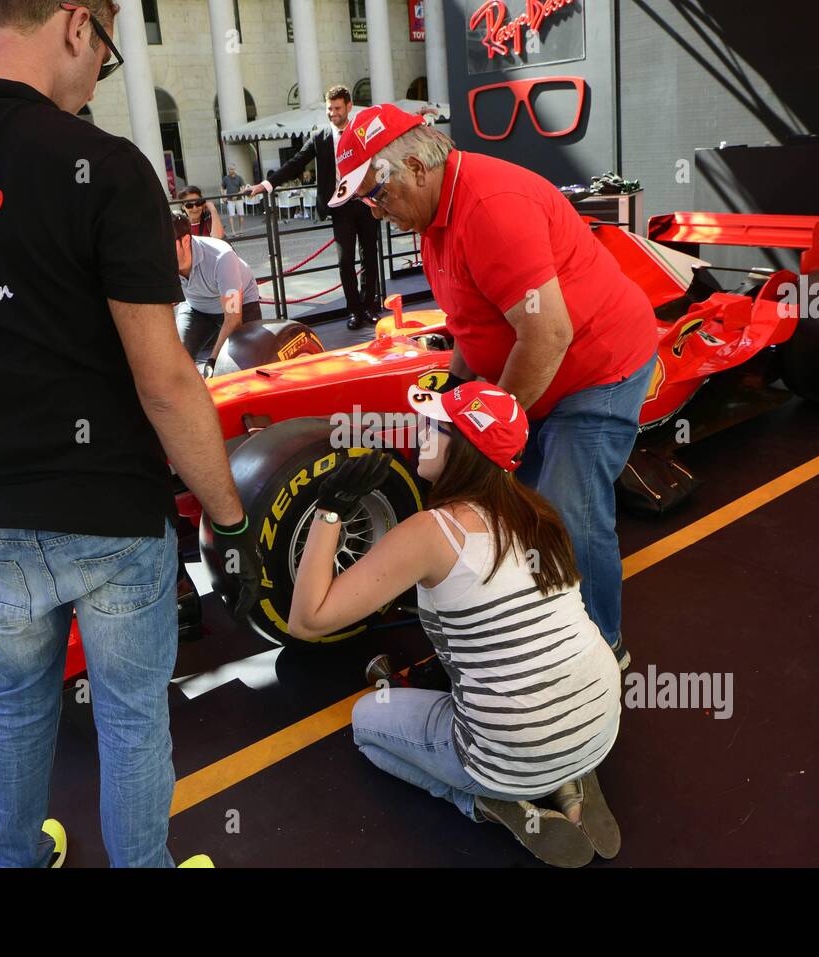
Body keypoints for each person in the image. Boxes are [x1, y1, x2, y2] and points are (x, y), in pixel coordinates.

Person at [0, 0, 261, 869]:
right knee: (132, 717)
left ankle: (15, 856)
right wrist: (229, 516)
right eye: (105, 54)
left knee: (19, 700)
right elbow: (165, 377)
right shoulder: (103, 166)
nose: (96, 76)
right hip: (110, 511)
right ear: (80, 23)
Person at [330, 104, 657, 670]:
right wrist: (455, 398)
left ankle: (603, 648)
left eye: (377, 194)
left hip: (596, 368)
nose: (375, 211)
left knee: (563, 511)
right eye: (366, 201)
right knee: (510, 506)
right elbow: (471, 327)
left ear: (414, 165)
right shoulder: (433, 221)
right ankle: (537, 627)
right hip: (542, 369)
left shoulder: (489, 206)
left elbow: (549, 333)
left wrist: (485, 430)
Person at [288, 383, 623, 867]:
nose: (422, 432)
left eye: (436, 427)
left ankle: (485, 801)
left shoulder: (434, 531)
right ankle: (570, 782)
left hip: (510, 747)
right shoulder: (540, 513)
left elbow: (308, 620)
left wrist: (330, 509)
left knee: (365, 723)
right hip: (600, 716)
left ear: (464, 448)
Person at [244, 84, 381, 331]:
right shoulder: (320, 137)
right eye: (329, 108)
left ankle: (369, 306)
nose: (333, 113)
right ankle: (354, 311)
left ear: (349, 107)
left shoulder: (362, 132)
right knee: (345, 261)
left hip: (367, 202)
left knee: (370, 257)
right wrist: (266, 184)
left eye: (337, 108)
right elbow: (296, 163)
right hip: (340, 207)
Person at [172, 212, 263, 374]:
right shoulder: (158, 260)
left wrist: (212, 361)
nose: (158, 251)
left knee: (244, 362)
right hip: (196, 307)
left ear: (185, 241)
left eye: (165, 244)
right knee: (177, 359)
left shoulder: (221, 256)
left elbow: (233, 318)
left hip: (242, 304)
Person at [221, 165, 243, 234]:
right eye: (229, 169)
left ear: (234, 169)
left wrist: (237, 194)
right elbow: (222, 187)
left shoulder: (239, 178)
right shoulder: (225, 178)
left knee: (240, 214)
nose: (230, 170)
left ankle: (241, 230)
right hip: (230, 199)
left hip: (239, 199)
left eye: (232, 169)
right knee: (231, 215)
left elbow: (243, 188)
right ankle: (233, 231)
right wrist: (223, 196)